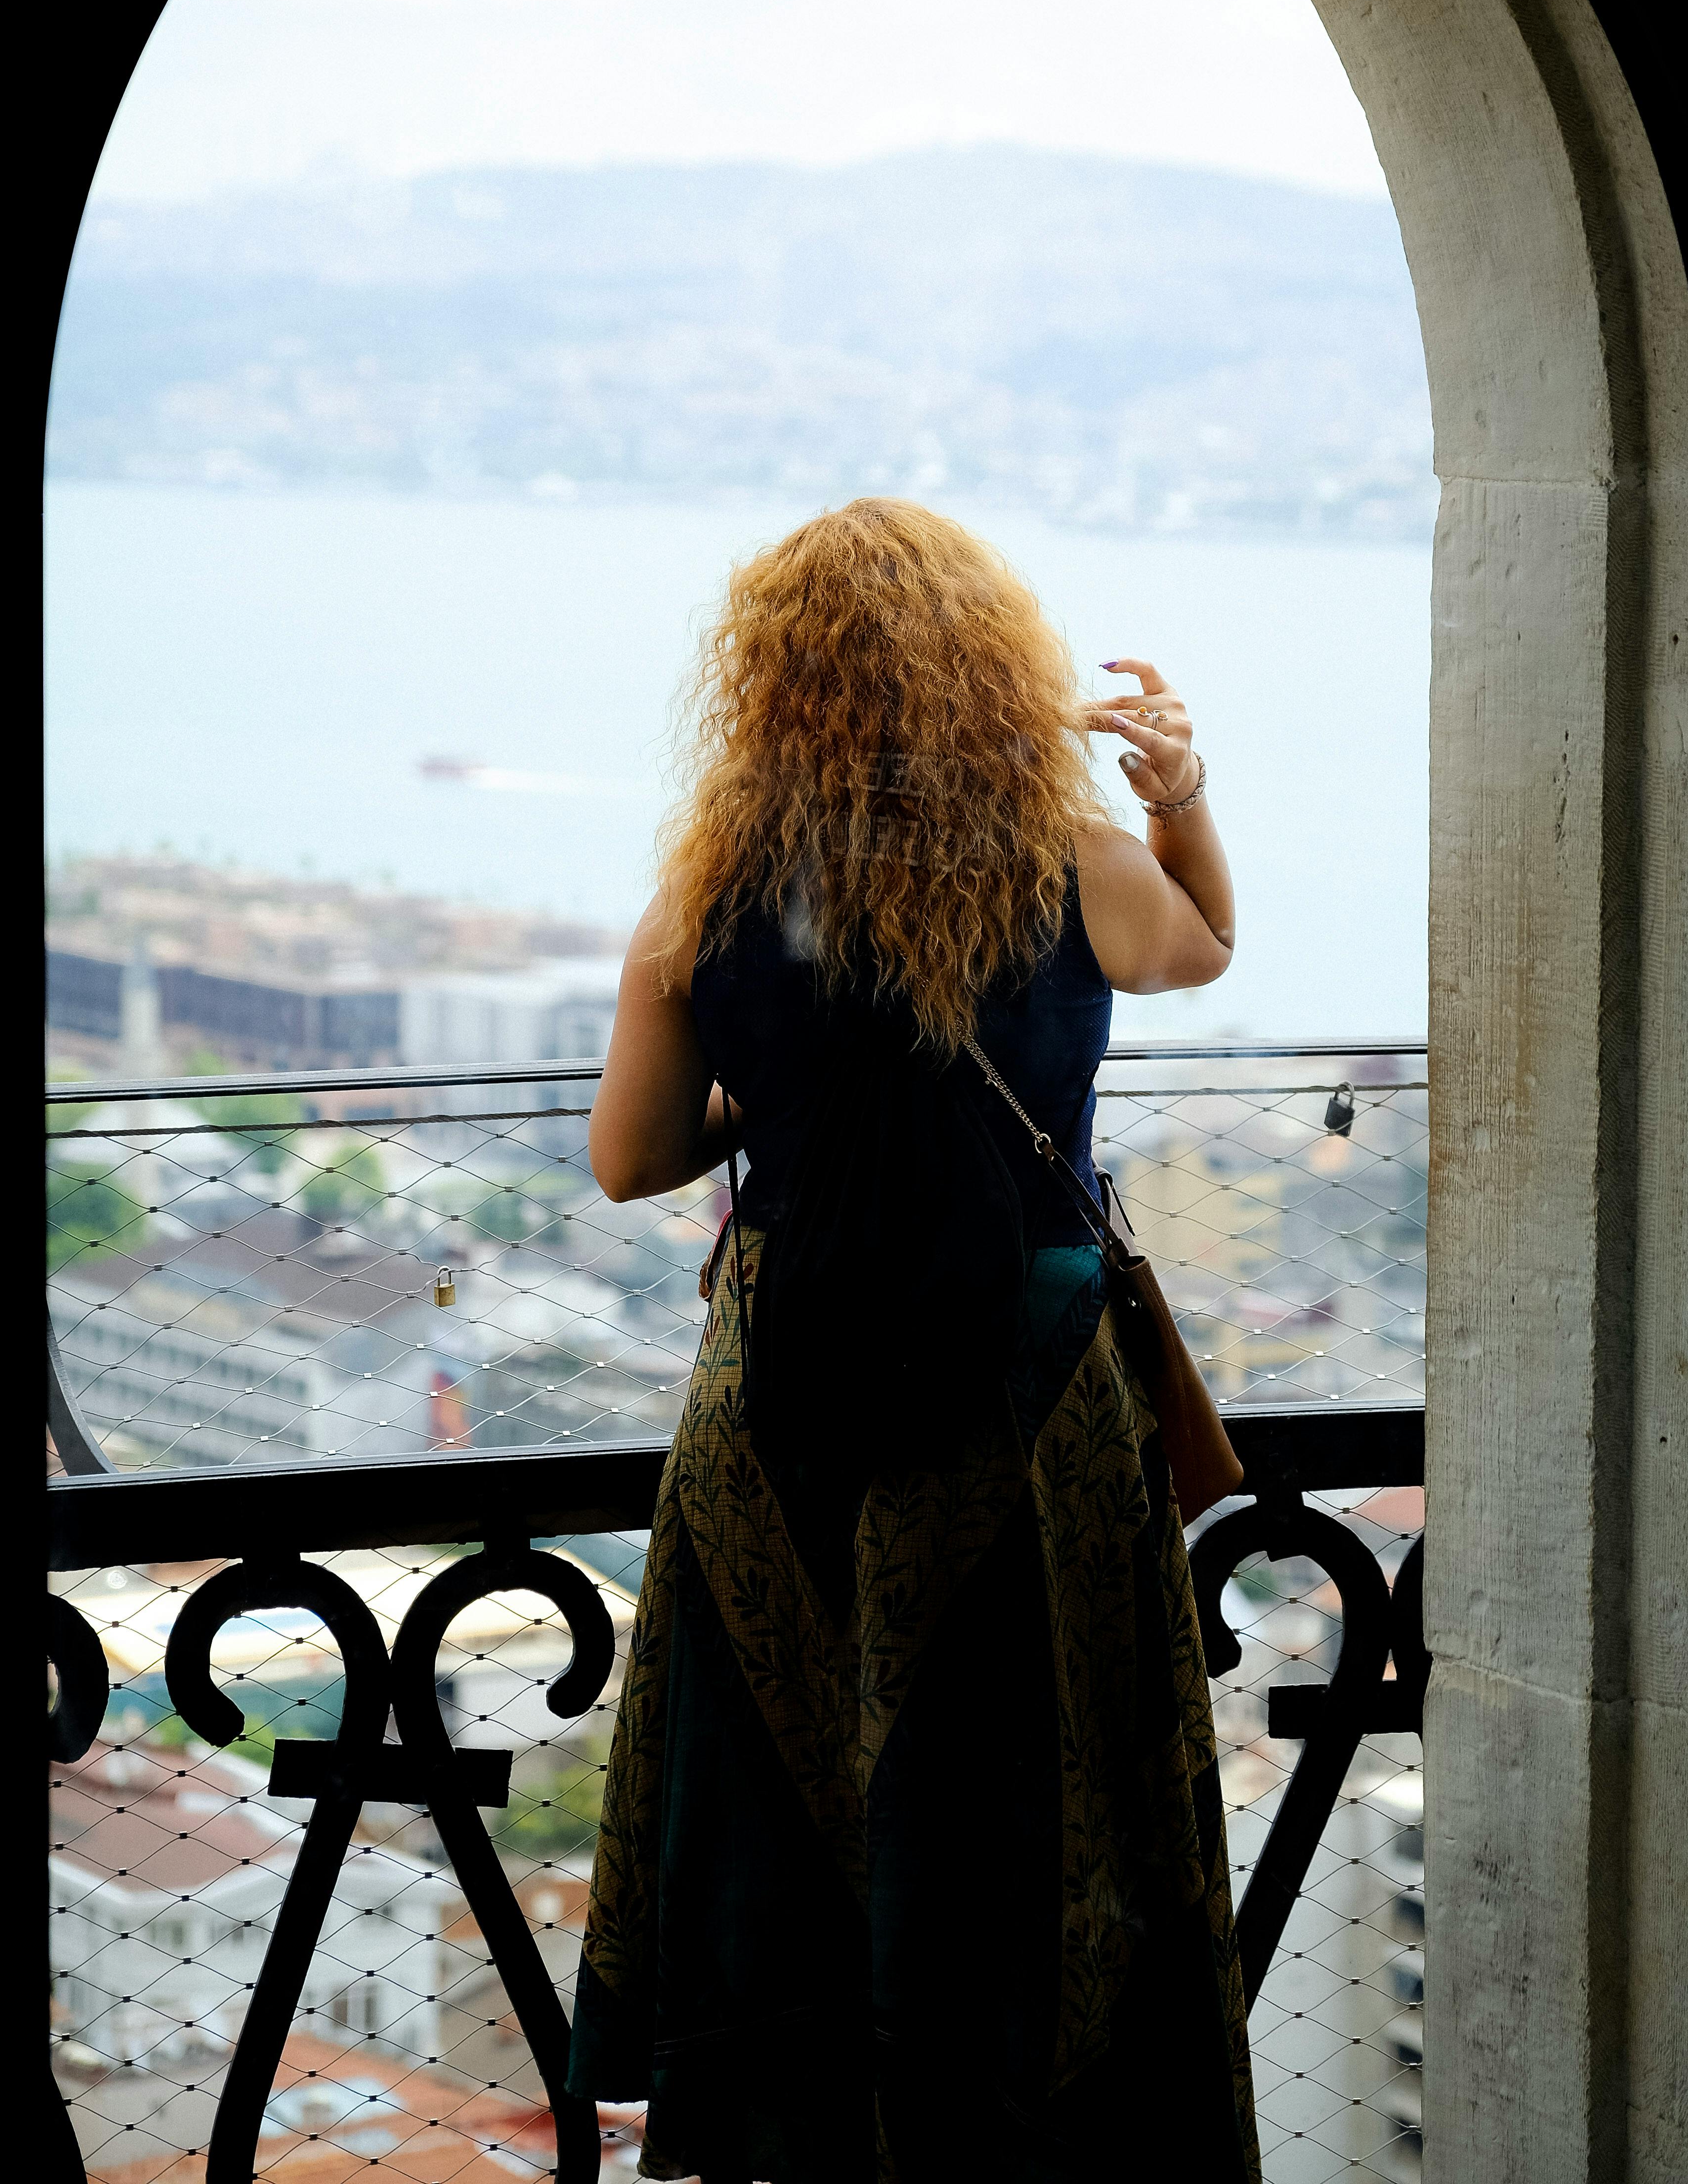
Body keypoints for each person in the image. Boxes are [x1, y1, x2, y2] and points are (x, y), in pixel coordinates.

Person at [568, 498, 1257, 2184]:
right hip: (1030, 1394)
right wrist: (1174, 793)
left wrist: (796, 1096)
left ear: (768, 685)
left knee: (787, 1770)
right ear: (988, 671)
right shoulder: (1074, 859)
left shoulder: (707, 895)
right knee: (1037, 1769)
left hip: (781, 1402)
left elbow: (632, 1158)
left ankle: (801, 2118)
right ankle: (1038, 2108)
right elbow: (1203, 950)